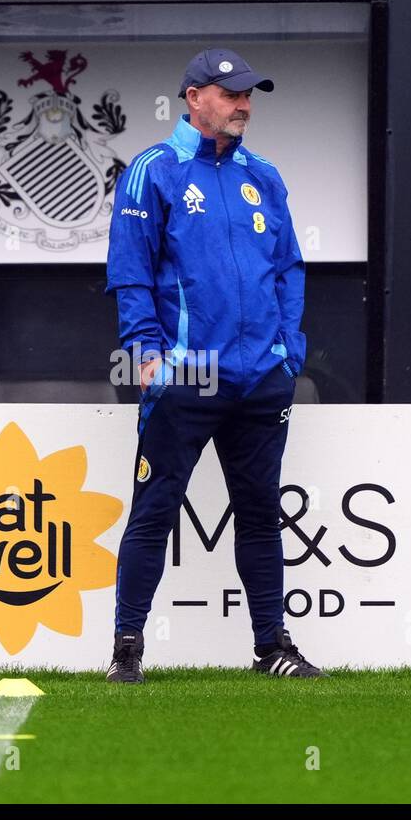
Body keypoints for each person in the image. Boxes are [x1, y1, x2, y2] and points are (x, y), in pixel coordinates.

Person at [104, 47, 326, 682]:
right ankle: (127, 649)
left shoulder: (265, 174)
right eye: (232, 95)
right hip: (188, 372)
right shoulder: (154, 169)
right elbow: (129, 271)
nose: (245, 106)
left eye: (250, 96)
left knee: (259, 511)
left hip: (262, 376)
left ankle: (271, 647)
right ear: (195, 97)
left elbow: (287, 269)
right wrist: (145, 351)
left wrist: (289, 349)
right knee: (155, 509)